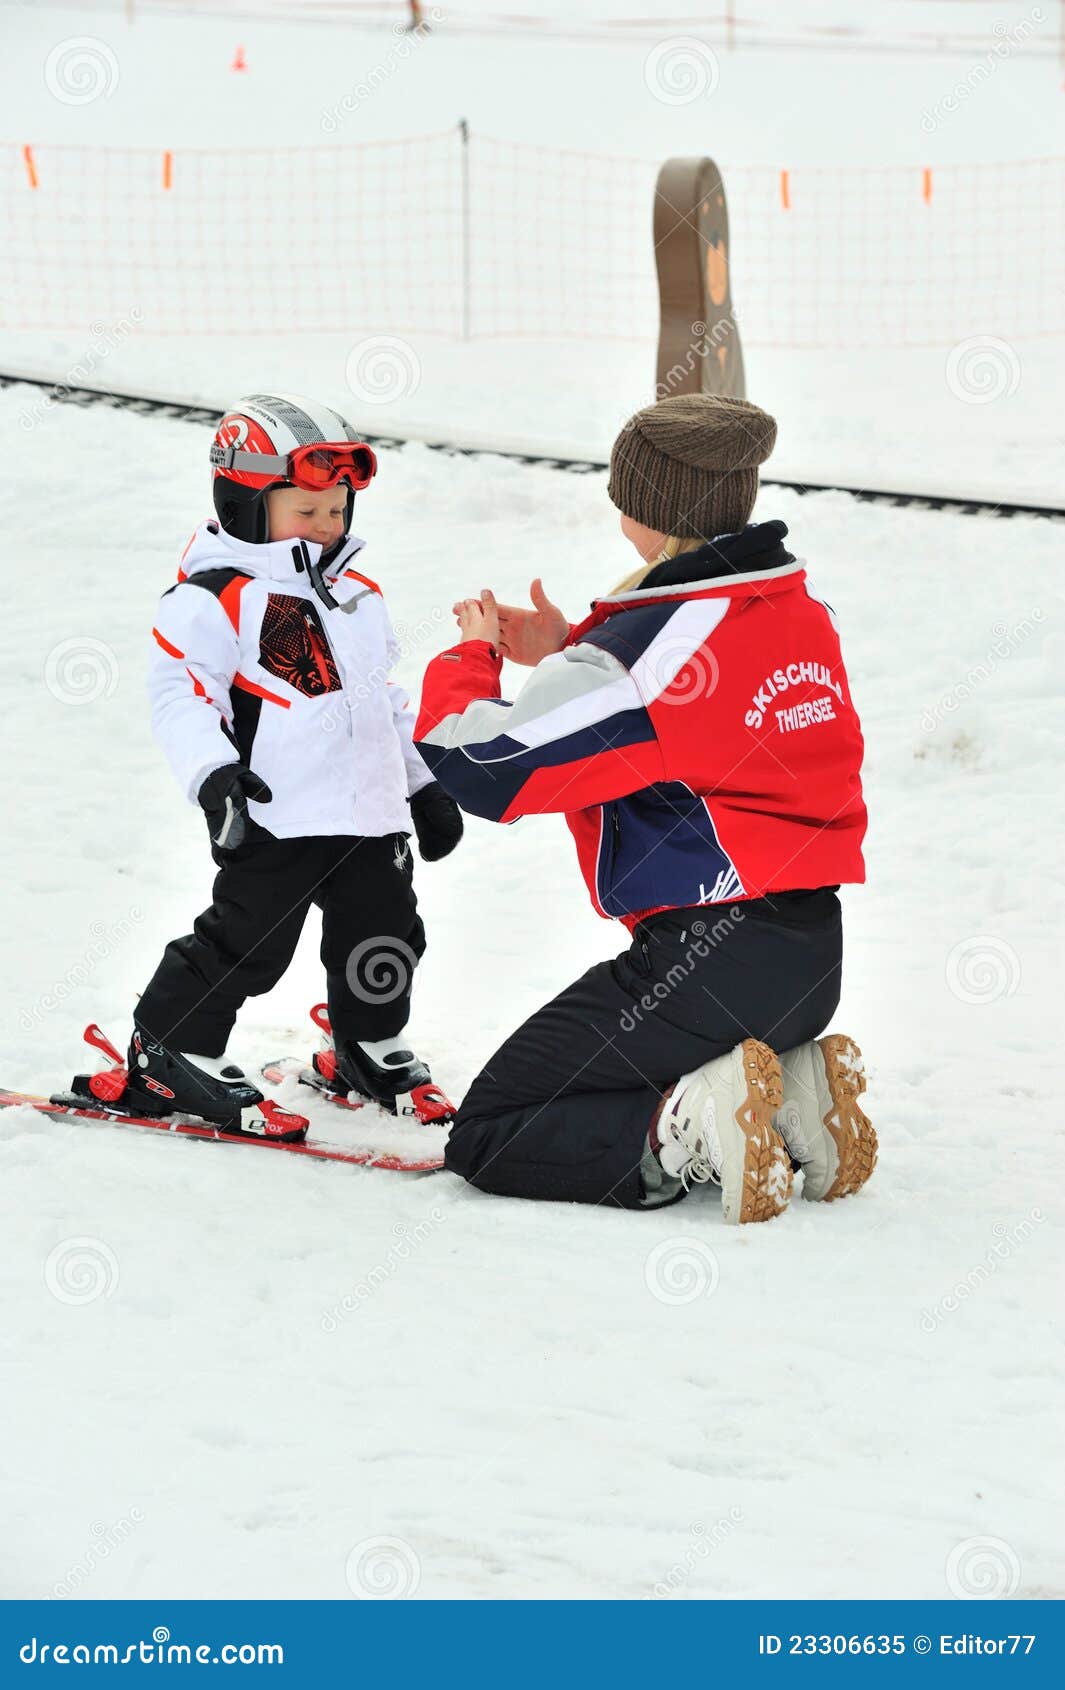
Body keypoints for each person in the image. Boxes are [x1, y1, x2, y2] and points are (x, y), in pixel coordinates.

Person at [414, 393, 876, 1223]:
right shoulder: (793, 609)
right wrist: (570, 653)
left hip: (703, 969)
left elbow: (481, 766)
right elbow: (692, 712)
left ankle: (685, 1124)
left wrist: (471, 659)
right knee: (583, 1078)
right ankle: (791, 1095)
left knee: (489, 1130)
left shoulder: (644, 655)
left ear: (643, 508)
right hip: (810, 959)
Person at [123, 392, 462, 1133]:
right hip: (277, 811)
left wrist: (422, 785)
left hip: (368, 811)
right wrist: (214, 776)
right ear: (244, 503)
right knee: (248, 939)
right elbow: (182, 694)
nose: (326, 525)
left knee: (386, 934)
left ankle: (366, 1044)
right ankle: (168, 1048)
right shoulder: (217, 597)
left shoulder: (355, 593)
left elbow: (382, 704)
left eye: (336, 509)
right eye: (305, 510)